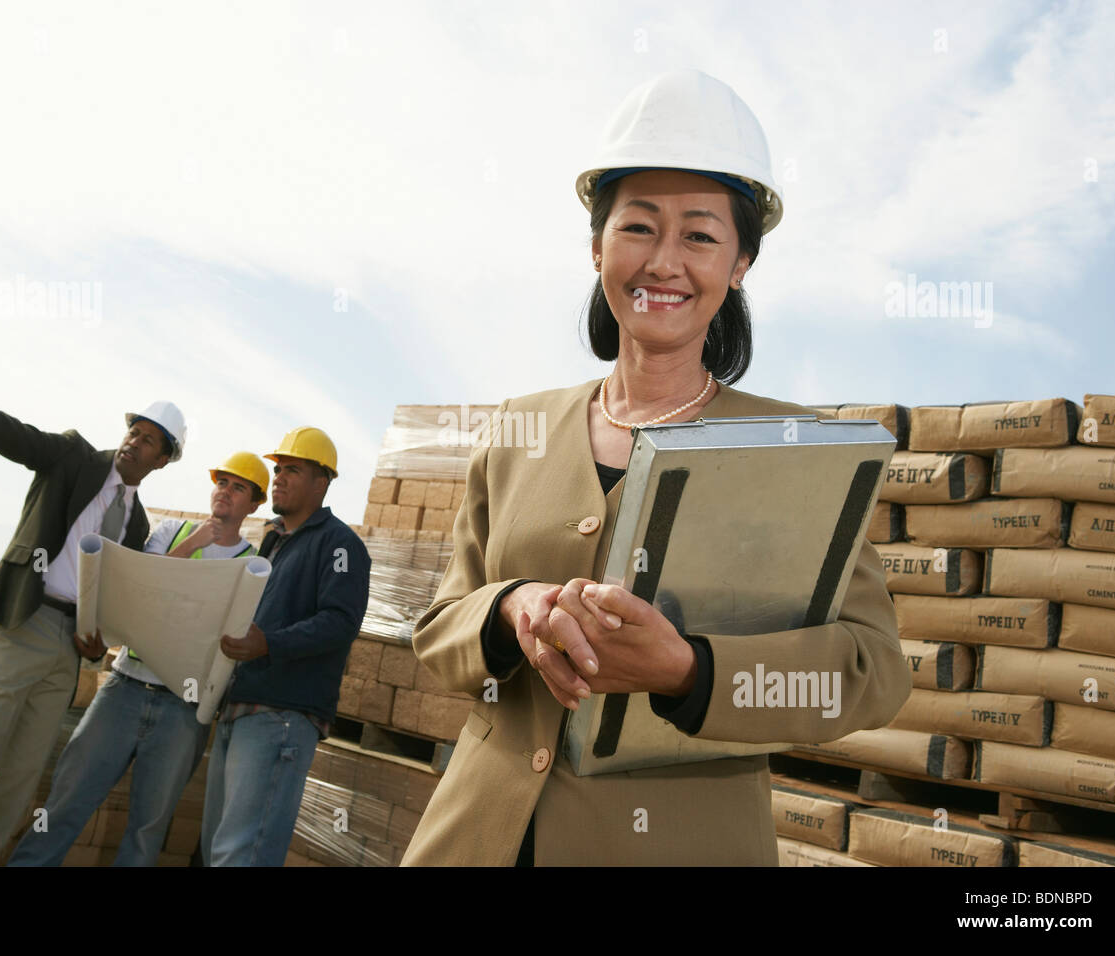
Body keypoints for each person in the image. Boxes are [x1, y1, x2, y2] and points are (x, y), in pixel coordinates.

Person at [400, 70, 911, 866]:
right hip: (479, 839)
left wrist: (693, 672)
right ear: (597, 245)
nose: (664, 262)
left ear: (740, 263)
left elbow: (871, 671)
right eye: (638, 228)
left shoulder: (790, 449)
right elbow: (438, 632)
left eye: (700, 235)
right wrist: (511, 609)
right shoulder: (519, 428)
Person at [0, 365, 185, 866]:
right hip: (18, 626)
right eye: (132, 431)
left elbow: (113, 601)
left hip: (66, 653)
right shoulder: (73, 457)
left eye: (148, 440)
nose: (134, 442)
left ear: (162, 459)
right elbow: (15, 437)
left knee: (18, 782)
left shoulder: (137, 526)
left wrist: (100, 640)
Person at [7, 452, 269, 866]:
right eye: (223, 482)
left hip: (183, 710)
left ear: (254, 504)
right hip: (124, 688)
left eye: (239, 488)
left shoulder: (251, 565)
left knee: (147, 829)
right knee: (64, 803)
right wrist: (195, 544)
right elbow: (142, 587)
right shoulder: (172, 532)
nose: (226, 492)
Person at [201, 427, 371, 866]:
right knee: (218, 850)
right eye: (278, 469)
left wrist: (268, 644)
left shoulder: (340, 545)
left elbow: (340, 623)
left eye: (292, 470)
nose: (278, 477)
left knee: (242, 854)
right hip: (239, 708)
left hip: (280, 717)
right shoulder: (272, 542)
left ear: (323, 482)